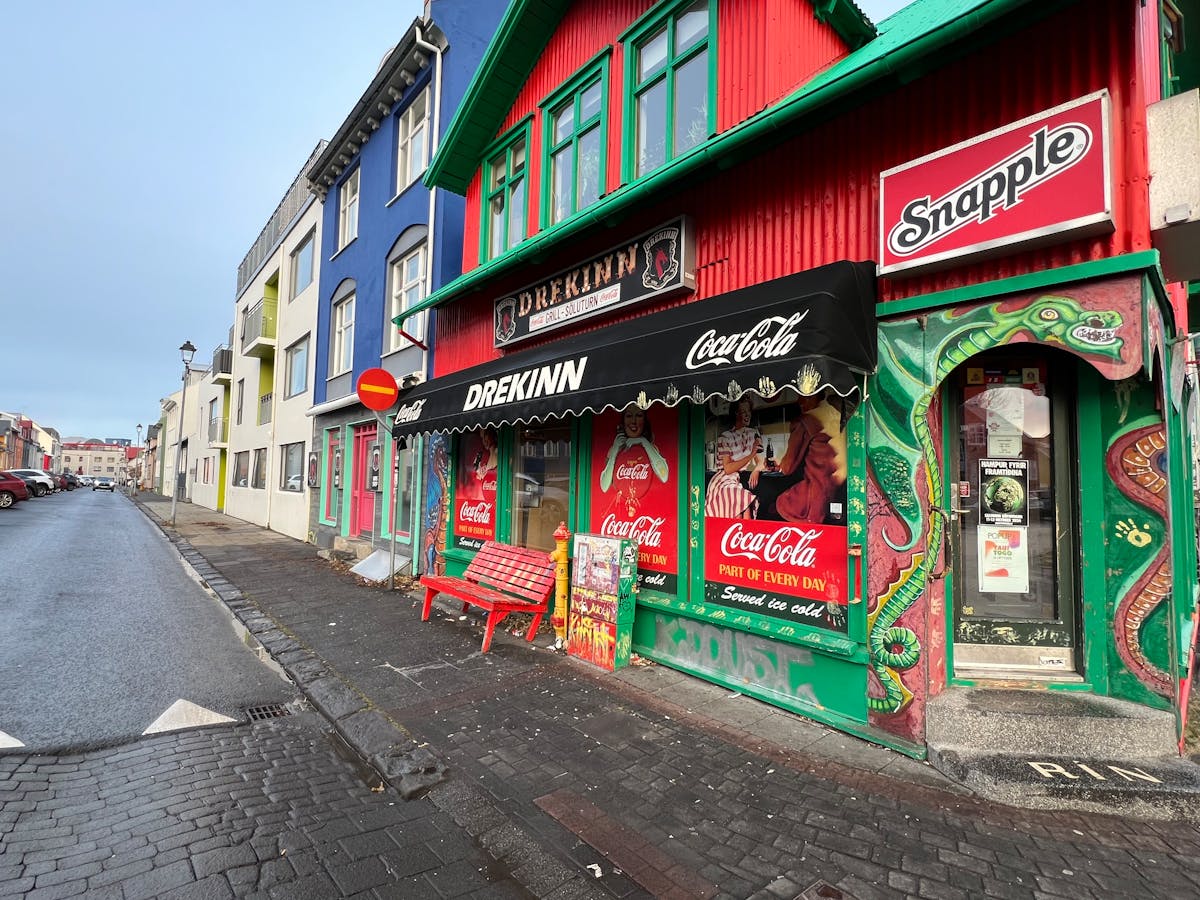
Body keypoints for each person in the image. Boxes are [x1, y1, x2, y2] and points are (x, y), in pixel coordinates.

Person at [771, 392, 841, 523]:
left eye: (805, 396)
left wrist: (779, 464)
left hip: (812, 503)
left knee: (779, 502)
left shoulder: (806, 420)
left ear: (817, 395)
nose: (800, 401)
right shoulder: (835, 413)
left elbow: (787, 468)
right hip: (836, 496)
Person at [599, 407, 669, 515]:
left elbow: (664, 477)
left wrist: (644, 442)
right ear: (623, 422)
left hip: (648, 510)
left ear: (645, 421)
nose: (633, 421)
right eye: (629, 416)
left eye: (639, 416)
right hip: (620, 510)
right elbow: (604, 486)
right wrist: (615, 450)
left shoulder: (651, 449)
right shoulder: (615, 450)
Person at [704, 397, 762, 518]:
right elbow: (728, 469)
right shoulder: (725, 437)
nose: (747, 415)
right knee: (741, 500)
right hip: (722, 481)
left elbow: (761, 460)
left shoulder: (754, 434)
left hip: (736, 480)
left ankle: (744, 534)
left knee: (744, 503)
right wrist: (751, 454)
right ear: (736, 413)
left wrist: (757, 469)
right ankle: (737, 533)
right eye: (744, 412)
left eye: (749, 411)